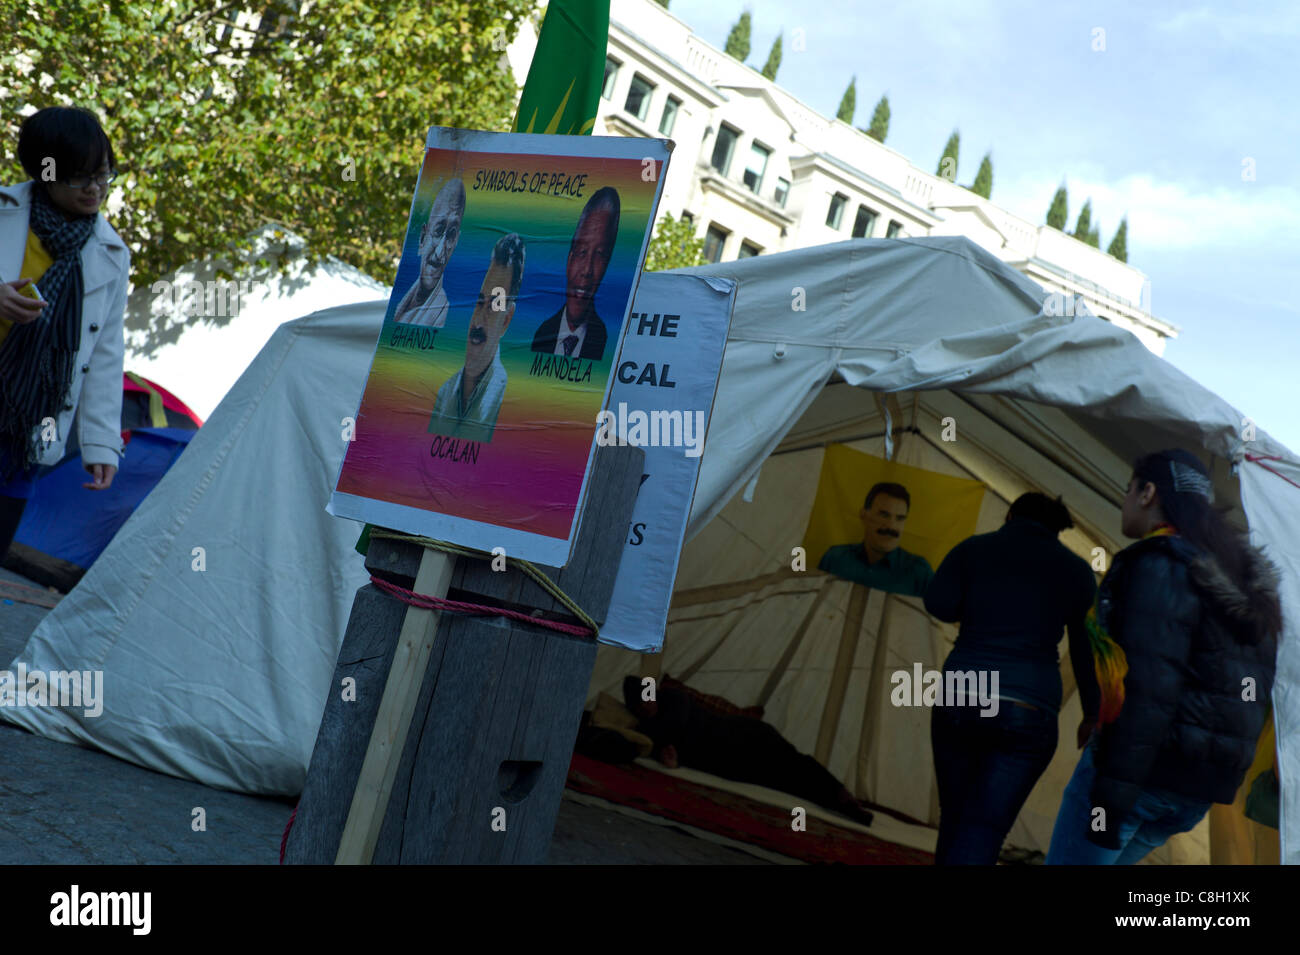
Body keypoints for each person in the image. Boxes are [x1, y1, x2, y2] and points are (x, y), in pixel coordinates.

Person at [1046, 449, 1282, 865]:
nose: (1124, 502)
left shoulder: (1160, 565)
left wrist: (1108, 798)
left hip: (1137, 779)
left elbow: (1146, 688)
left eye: (1127, 490)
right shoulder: (1243, 582)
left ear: (1148, 492)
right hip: (1196, 791)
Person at [922, 492, 1098, 864]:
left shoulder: (974, 549)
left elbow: (938, 603)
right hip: (1028, 707)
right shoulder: (1077, 571)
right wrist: (1091, 713)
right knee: (983, 827)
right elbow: (1085, 650)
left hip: (962, 695)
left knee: (955, 817)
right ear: (1057, 530)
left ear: (1010, 514)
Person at [0, 106, 128, 558]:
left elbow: (106, 353)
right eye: (79, 178)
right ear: (43, 171)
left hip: (29, 432)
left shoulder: (111, 252)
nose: (95, 188)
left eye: (103, 175)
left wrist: (101, 444)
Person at [621, 676, 875, 827]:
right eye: (641, 704)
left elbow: (673, 726)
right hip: (727, 760)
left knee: (796, 764)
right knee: (789, 782)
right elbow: (658, 747)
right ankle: (840, 802)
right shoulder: (649, 729)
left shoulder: (673, 698)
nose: (647, 704)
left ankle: (843, 797)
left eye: (647, 697)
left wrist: (667, 750)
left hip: (745, 736)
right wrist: (671, 762)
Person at [428, 233, 524, 443]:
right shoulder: (445, 391)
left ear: (506, 320)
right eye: (480, 302)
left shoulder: (508, 399)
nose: (478, 322)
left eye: (493, 306)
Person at [530, 186, 618, 360]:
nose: (587, 271)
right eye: (582, 252)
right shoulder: (541, 334)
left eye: (599, 255)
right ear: (569, 260)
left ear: (607, 265)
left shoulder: (606, 343)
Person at [818, 481, 934, 596]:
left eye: (900, 518)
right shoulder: (835, 558)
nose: (891, 526)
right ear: (864, 516)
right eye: (884, 515)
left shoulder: (919, 573)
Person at [392, 177, 465, 328]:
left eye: (451, 235)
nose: (440, 253)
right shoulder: (401, 300)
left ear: (456, 242)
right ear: (422, 238)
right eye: (438, 231)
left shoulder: (441, 314)